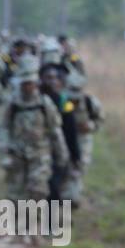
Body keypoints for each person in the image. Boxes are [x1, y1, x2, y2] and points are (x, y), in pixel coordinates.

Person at [0, 62, 68, 243]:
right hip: (17, 154)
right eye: (25, 83)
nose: (28, 87)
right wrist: (5, 149)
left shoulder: (45, 104)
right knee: (16, 194)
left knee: (38, 191)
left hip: (39, 154)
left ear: (36, 84)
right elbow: (3, 128)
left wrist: (61, 154)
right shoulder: (12, 104)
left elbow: (55, 130)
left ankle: (34, 229)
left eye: (31, 83)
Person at [40, 62, 81, 203]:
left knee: (54, 187)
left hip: (58, 150)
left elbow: (71, 129)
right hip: (36, 150)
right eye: (47, 78)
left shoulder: (63, 101)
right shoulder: (34, 100)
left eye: (54, 78)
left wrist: (75, 155)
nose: (51, 81)